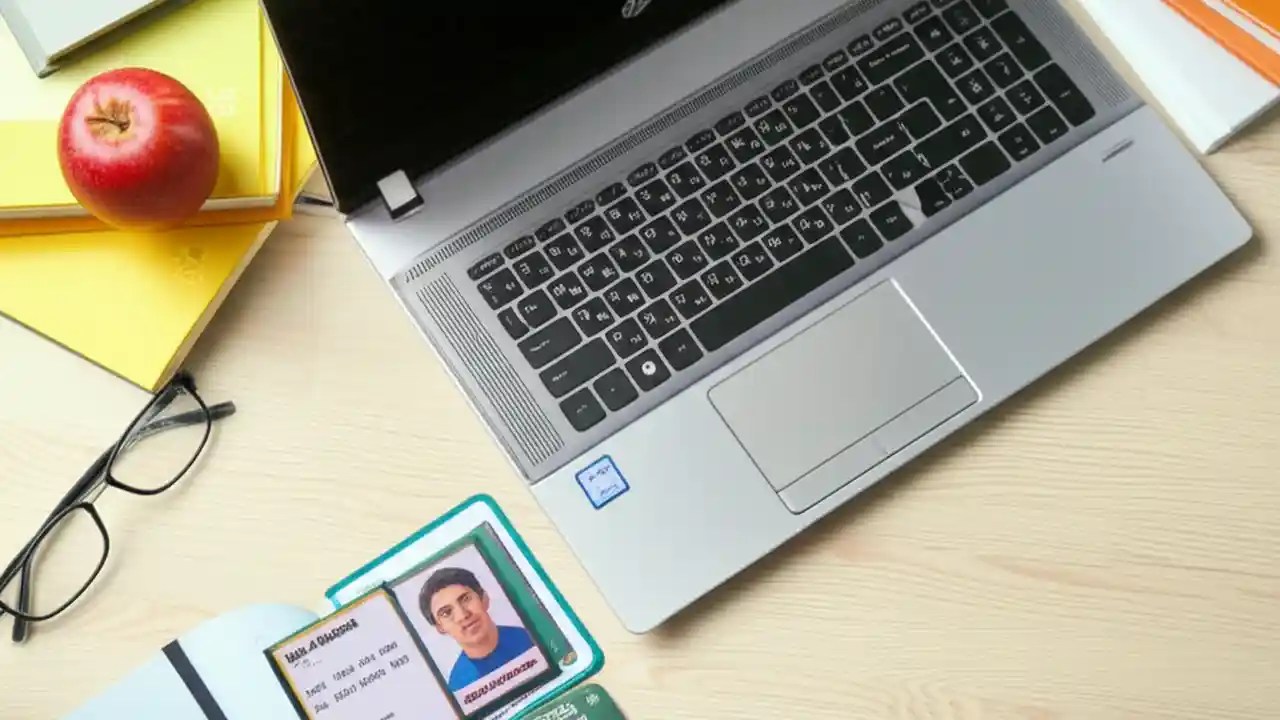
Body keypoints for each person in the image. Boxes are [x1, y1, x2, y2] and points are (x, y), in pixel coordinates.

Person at [420, 566, 536, 691]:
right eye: (446, 613)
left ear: (484, 599)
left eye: (466, 599)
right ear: (440, 627)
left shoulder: (533, 639)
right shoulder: (459, 685)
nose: (463, 615)